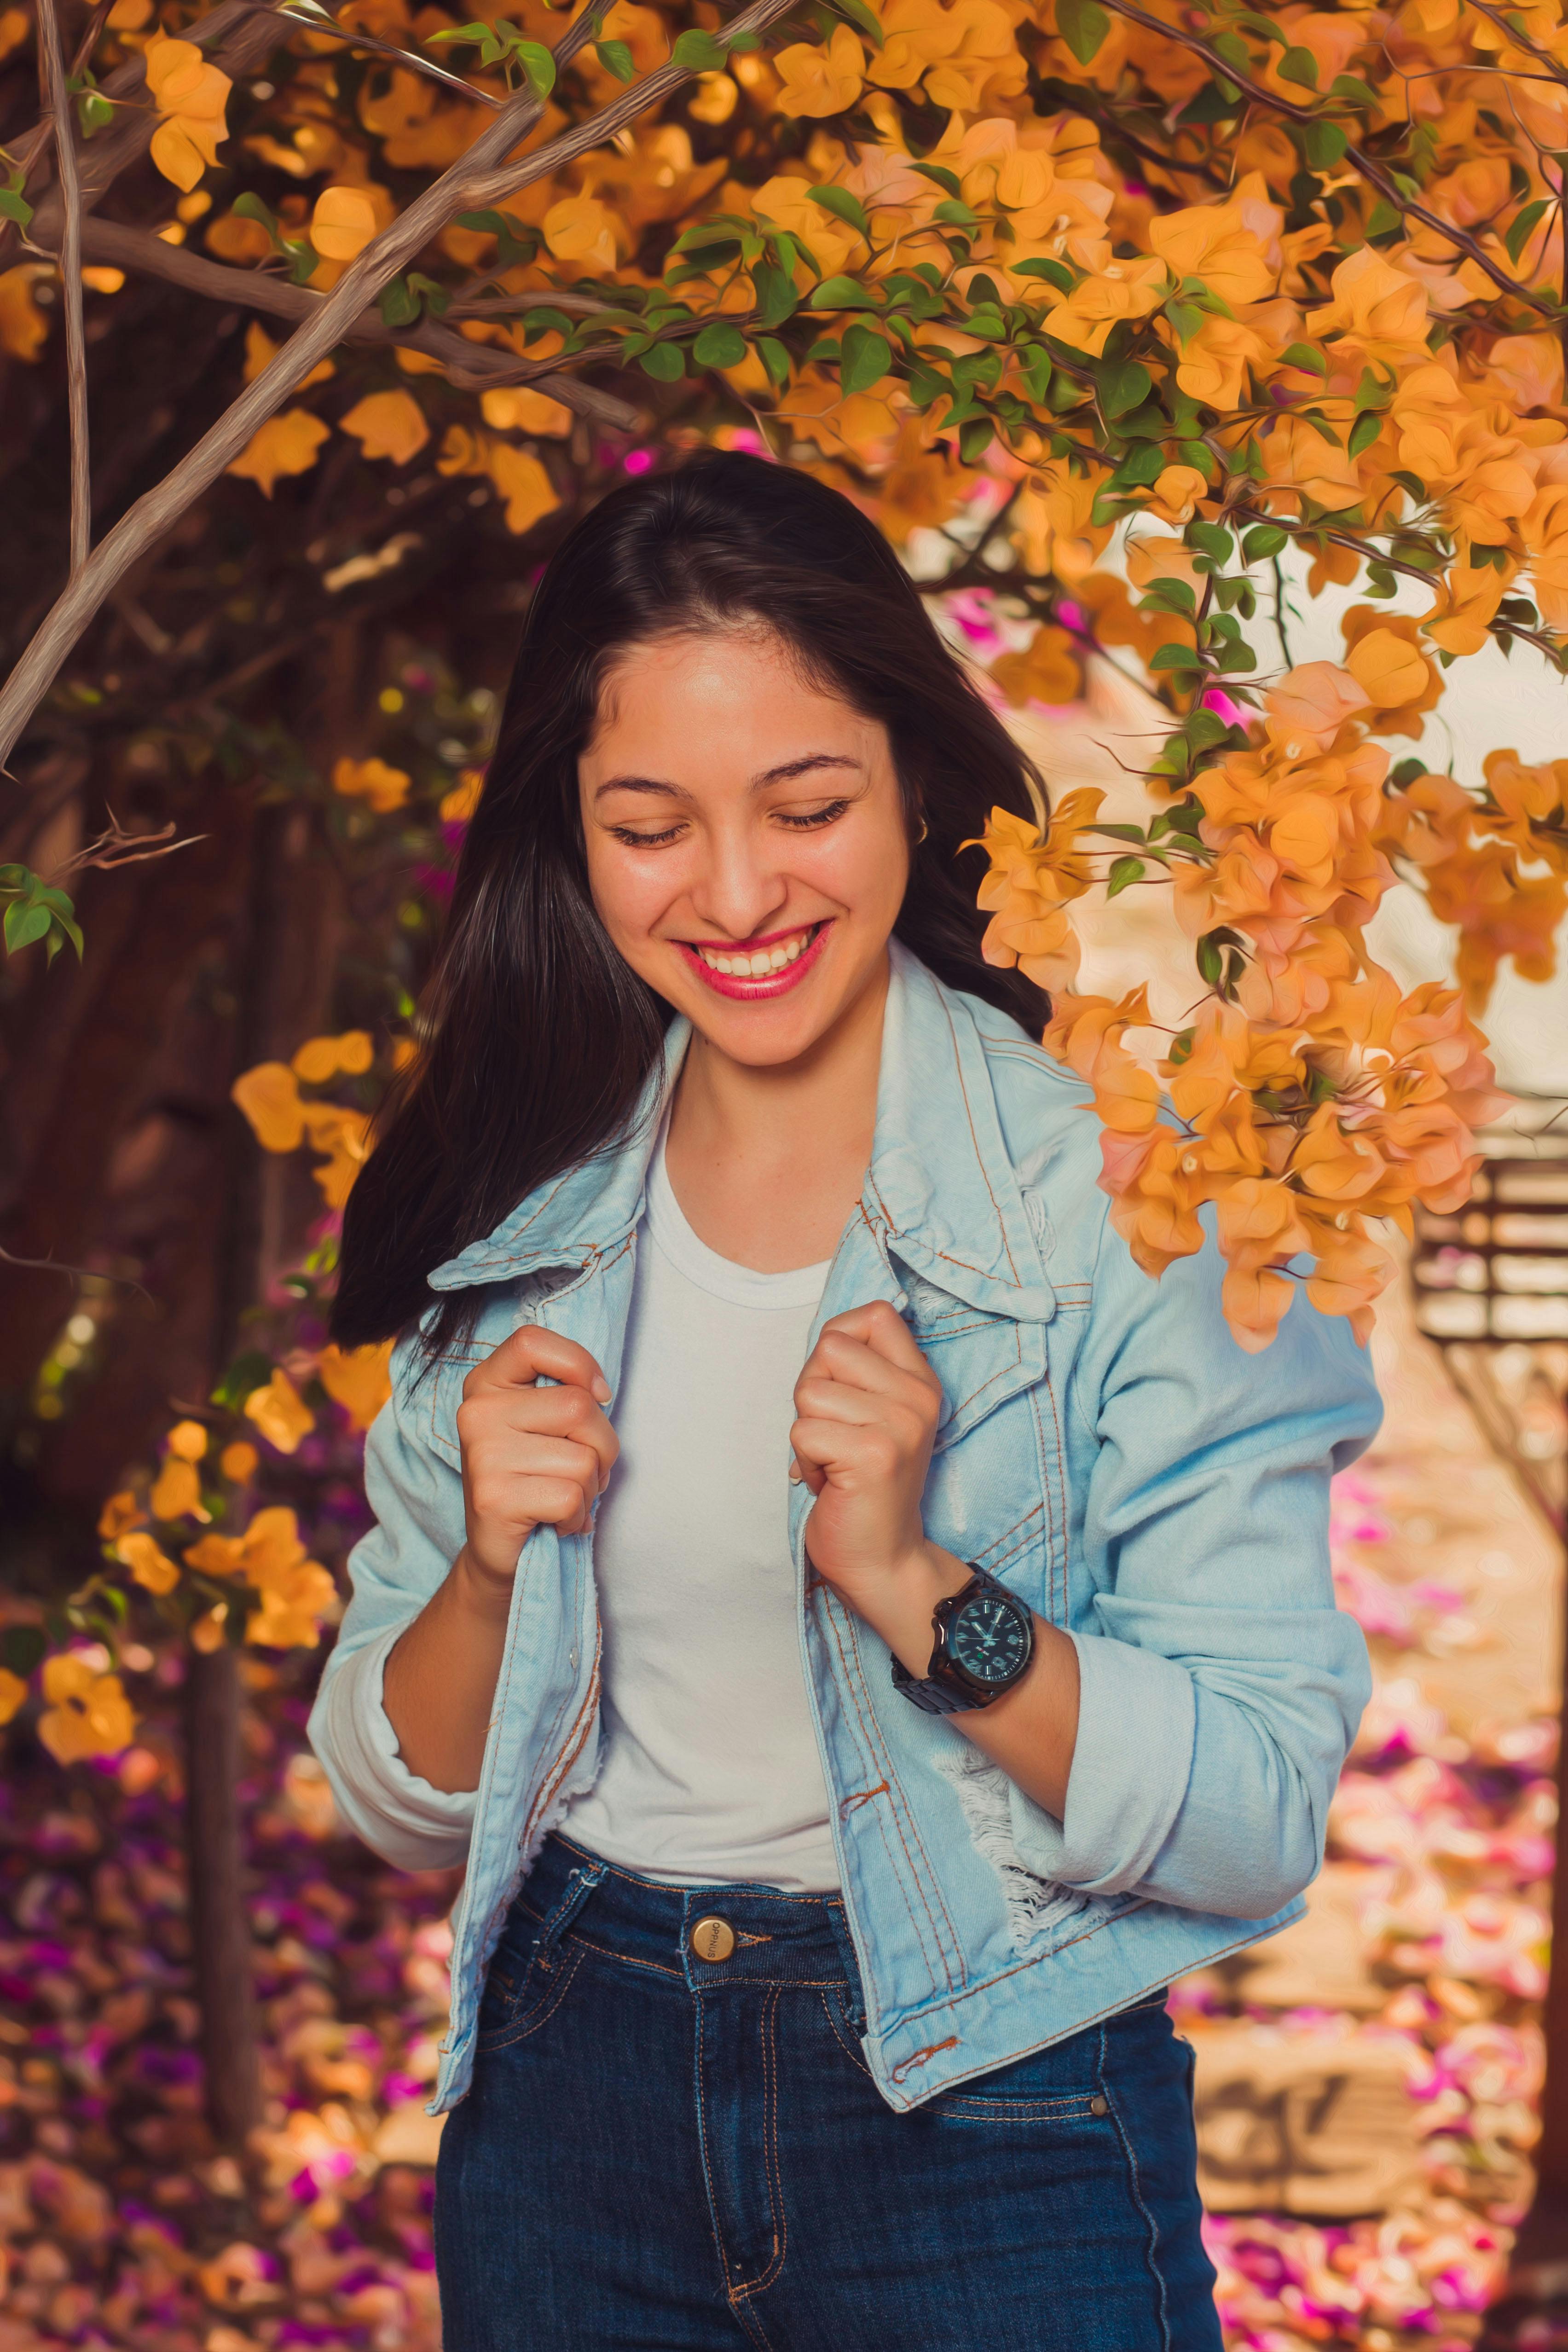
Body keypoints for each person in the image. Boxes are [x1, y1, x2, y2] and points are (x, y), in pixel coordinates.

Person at [309, 452, 1380, 2352]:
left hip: (996, 2111)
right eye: (652, 827)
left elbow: (1255, 1814)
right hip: (571, 2106)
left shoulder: (1138, 1213)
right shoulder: (521, 1214)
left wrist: (916, 1591)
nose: (735, 894)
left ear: (910, 778)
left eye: (804, 805)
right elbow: (405, 1812)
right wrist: (482, 1569)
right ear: (571, 828)